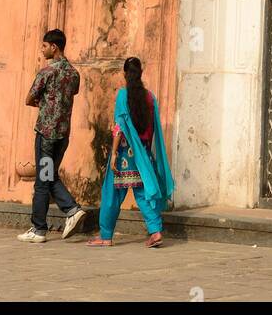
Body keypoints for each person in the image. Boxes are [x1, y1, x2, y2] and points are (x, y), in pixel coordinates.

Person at [87, 57, 174, 248]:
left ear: (125, 74)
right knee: (143, 194)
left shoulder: (122, 96)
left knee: (111, 193)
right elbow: (152, 129)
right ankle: (156, 231)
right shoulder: (151, 97)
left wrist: (115, 153)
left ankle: (106, 236)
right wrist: (145, 154)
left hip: (124, 154)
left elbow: (119, 127)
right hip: (142, 154)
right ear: (141, 73)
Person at [18, 28, 86, 243]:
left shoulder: (46, 72)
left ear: (54, 47)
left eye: (45, 46)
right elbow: (69, 95)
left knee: (42, 179)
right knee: (49, 175)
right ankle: (64, 213)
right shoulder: (73, 73)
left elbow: (29, 98)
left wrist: (44, 104)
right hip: (63, 134)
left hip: (46, 135)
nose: (42, 49)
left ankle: (43, 227)